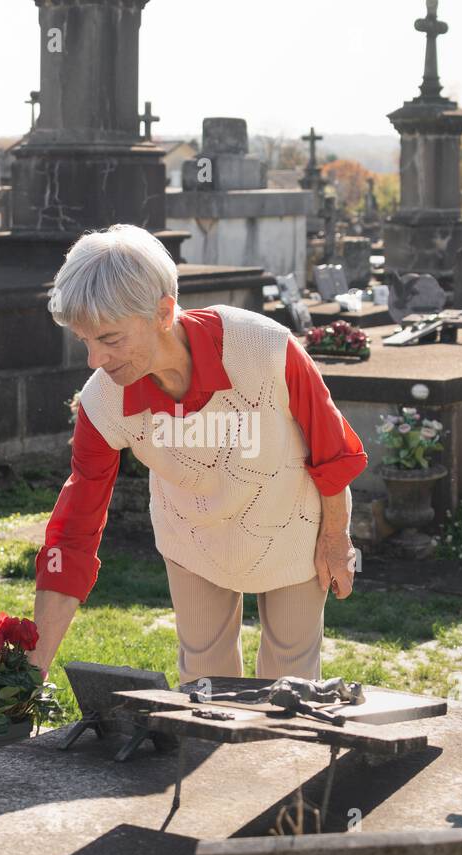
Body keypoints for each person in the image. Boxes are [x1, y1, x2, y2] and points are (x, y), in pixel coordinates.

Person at [30, 224, 367, 686]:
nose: (94, 360)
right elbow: (74, 534)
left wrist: (335, 537)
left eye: (109, 339)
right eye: (84, 341)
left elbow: (333, 451)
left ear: (163, 312)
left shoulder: (264, 348)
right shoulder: (104, 402)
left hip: (290, 526)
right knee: (205, 686)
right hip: (191, 535)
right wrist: (31, 669)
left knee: (291, 685)